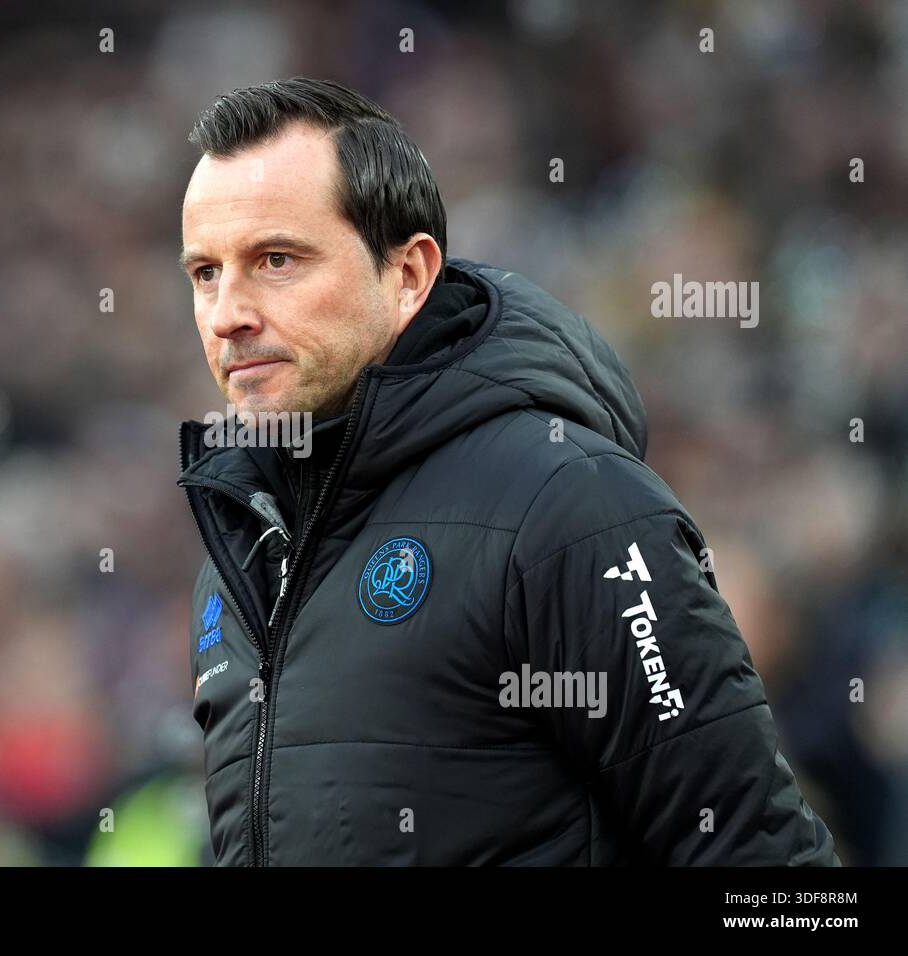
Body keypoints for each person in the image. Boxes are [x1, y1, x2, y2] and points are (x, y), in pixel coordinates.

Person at [176, 77, 839, 866]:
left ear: (410, 275)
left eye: (276, 260)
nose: (227, 314)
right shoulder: (241, 557)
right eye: (205, 273)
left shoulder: (567, 505)